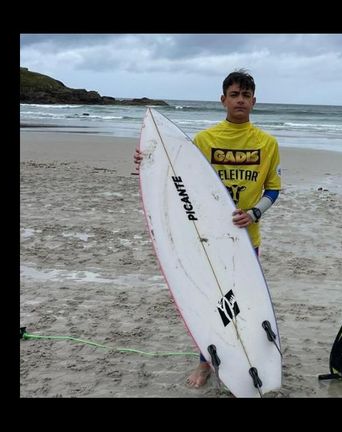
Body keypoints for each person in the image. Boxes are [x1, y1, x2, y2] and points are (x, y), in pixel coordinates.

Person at [134, 69, 281, 388]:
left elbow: (273, 188)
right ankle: (205, 363)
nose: (240, 100)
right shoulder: (204, 140)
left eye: (245, 95)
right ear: (223, 100)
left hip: (246, 240)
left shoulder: (267, 143)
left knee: (246, 303)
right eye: (234, 95)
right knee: (211, 302)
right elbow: (178, 179)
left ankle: (249, 359)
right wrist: (148, 161)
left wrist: (255, 212)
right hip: (207, 240)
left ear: (254, 102)